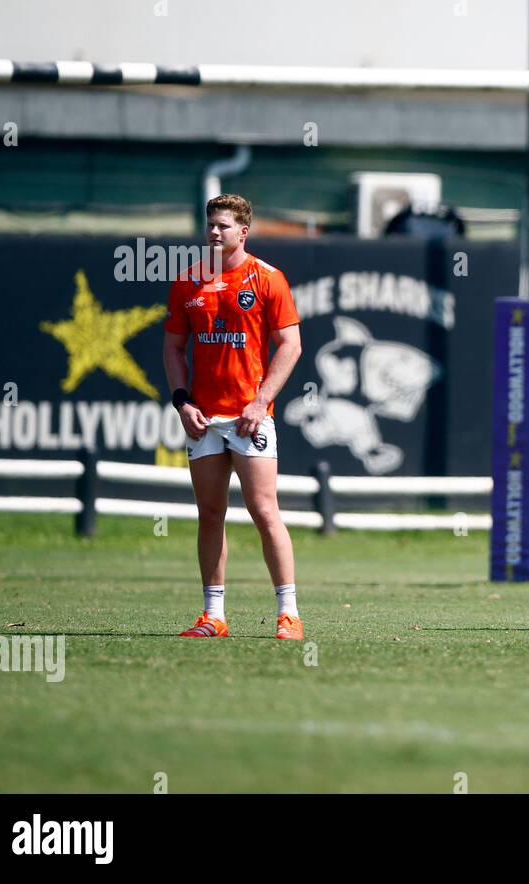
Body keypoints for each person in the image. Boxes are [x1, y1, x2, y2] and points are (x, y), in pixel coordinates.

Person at [161, 194, 305, 640]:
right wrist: (182, 401)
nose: (214, 233)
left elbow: (291, 345)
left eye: (223, 226)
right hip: (205, 418)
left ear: (244, 231)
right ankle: (213, 615)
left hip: (250, 417)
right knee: (210, 513)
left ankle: (289, 613)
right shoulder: (189, 283)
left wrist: (261, 402)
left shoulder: (268, 279)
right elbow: (172, 347)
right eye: (210, 225)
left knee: (264, 511)